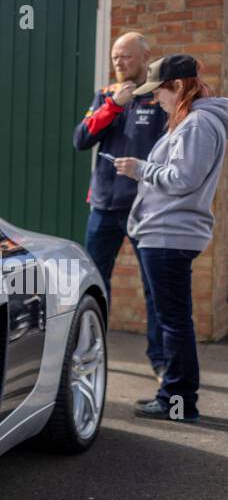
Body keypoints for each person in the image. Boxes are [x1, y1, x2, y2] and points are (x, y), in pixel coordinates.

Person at [115, 54, 228, 424]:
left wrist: (139, 169)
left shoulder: (197, 124)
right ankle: (175, 400)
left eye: (159, 92)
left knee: (174, 322)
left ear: (178, 86)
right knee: (173, 320)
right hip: (163, 234)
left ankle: (178, 404)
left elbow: (183, 179)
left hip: (169, 235)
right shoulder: (192, 121)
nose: (155, 99)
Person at [73, 32, 167, 384]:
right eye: (115, 57)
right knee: (95, 282)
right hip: (103, 206)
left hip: (146, 208)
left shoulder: (159, 97)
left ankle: (161, 362)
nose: (119, 63)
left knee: (154, 285)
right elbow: (81, 139)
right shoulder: (106, 96)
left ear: (145, 57)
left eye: (126, 57)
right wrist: (112, 106)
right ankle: (92, 351)